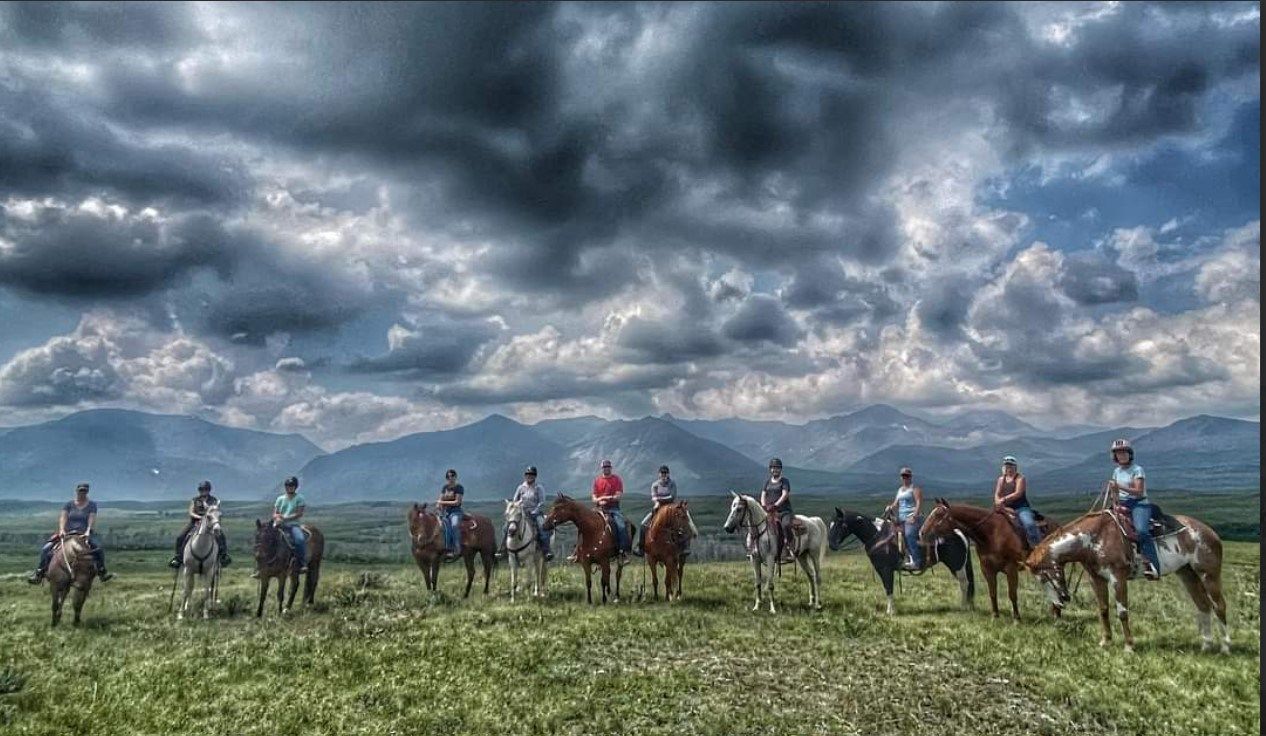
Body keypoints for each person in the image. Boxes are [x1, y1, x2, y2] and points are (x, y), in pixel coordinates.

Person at [28, 482, 113, 584]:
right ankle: (39, 573)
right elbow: (63, 517)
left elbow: (91, 518)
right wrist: (62, 530)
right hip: (67, 533)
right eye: (80, 491)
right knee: (46, 548)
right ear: (76, 491)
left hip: (83, 534)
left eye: (84, 491)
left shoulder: (92, 505)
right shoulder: (69, 505)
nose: (82, 493)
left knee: (98, 548)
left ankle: (102, 571)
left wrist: (88, 531)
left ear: (87, 492)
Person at [1109, 438, 1160, 580]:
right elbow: (1115, 492)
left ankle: (1152, 565)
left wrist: (1118, 487)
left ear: (1129, 454)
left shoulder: (1137, 470)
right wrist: (1114, 500)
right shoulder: (1116, 471)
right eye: (1118, 453)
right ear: (1115, 456)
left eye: (1124, 452)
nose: (1122, 455)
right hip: (1122, 504)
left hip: (1139, 504)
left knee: (1142, 531)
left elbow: (1138, 491)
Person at [633, 465, 698, 557]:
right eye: (662, 473)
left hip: (671, 507)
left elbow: (672, 496)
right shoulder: (655, 485)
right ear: (659, 474)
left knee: (682, 524)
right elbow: (653, 496)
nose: (664, 475)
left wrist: (660, 499)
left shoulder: (672, 483)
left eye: (665, 473)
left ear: (668, 474)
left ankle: (685, 546)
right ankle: (641, 547)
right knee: (643, 524)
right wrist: (657, 501)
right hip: (658, 507)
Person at [169, 480, 231, 569]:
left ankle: (223, 556)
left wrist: (211, 518)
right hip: (195, 522)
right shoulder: (195, 500)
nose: (203, 491)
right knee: (180, 537)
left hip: (210, 522)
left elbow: (216, 511)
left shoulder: (214, 500)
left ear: (209, 490)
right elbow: (191, 512)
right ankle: (178, 557)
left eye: (205, 489)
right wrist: (200, 517)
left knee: (221, 536)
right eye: (202, 489)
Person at [505, 465, 552, 561]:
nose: (529, 476)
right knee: (506, 527)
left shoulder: (539, 488)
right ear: (525, 476)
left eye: (531, 474)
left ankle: (546, 551)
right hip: (521, 513)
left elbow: (542, 502)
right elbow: (514, 501)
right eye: (528, 474)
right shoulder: (520, 488)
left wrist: (534, 512)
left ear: (535, 476)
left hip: (535, 513)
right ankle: (504, 549)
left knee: (542, 527)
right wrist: (514, 509)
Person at [993, 456, 1041, 548]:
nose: (1009, 468)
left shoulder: (1020, 478)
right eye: (1007, 466)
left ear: (1015, 467)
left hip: (1021, 508)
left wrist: (1003, 499)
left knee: (1029, 524)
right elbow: (997, 493)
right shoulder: (1001, 479)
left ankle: (1036, 546)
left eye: (1011, 466)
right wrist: (997, 502)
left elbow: (1018, 493)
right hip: (1005, 508)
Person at [592, 459, 630, 563]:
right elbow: (594, 498)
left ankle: (623, 552)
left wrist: (605, 498)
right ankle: (579, 550)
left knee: (621, 526)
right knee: (585, 523)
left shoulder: (616, 479)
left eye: (608, 467)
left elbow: (618, 496)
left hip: (613, 508)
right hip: (599, 509)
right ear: (602, 468)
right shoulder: (597, 480)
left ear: (611, 468)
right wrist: (600, 500)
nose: (606, 469)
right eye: (604, 467)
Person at [885, 467, 923, 571]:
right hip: (901, 518)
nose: (905, 478)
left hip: (912, 517)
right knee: (892, 534)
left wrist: (914, 516)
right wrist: (890, 507)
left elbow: (918, 503)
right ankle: (902, 558)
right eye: (903, 476)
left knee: (909, 535)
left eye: (907, 476)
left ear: (910, 477)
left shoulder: (914, 488)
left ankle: (916, 561)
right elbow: (896, 504)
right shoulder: (900, 490)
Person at [761, 458, 795, 563]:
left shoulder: (784, 481)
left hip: (784, 511)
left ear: (780, 469)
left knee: (785, 526)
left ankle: (790, 549)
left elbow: (785, 494)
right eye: (772, 468)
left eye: (776, 468)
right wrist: (764, 505)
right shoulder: (767, 482)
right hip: (770, 512)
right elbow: (763, 494)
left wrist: (776, 505)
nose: (774, 470)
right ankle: (757, 549)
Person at [272, 476, 308, 574]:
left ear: (295, 487)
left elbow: (299, 513)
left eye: (292, 486)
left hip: (293, 525)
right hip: (280, 524)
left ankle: (302, 563)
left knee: (299, 540)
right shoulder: (280, 499)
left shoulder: (299, 498)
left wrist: (284, 518)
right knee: (264, 537)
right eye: (288, 485)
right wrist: (277, 518)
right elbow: (275, 513)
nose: (289, 487)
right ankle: (262, 565)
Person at [438, 468, 466, 562]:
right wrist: (439, 505)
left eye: (452, 476)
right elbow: (440, 499)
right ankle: (445, 548)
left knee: (454, 525)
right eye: (449, 476)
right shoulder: (445, 488)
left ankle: (457, 547)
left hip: (456, 512)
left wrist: (442, 502)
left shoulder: (459, 488)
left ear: (455, 477)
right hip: (446, 513)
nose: (451, 478)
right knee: (442, 527)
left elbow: (457, 502)